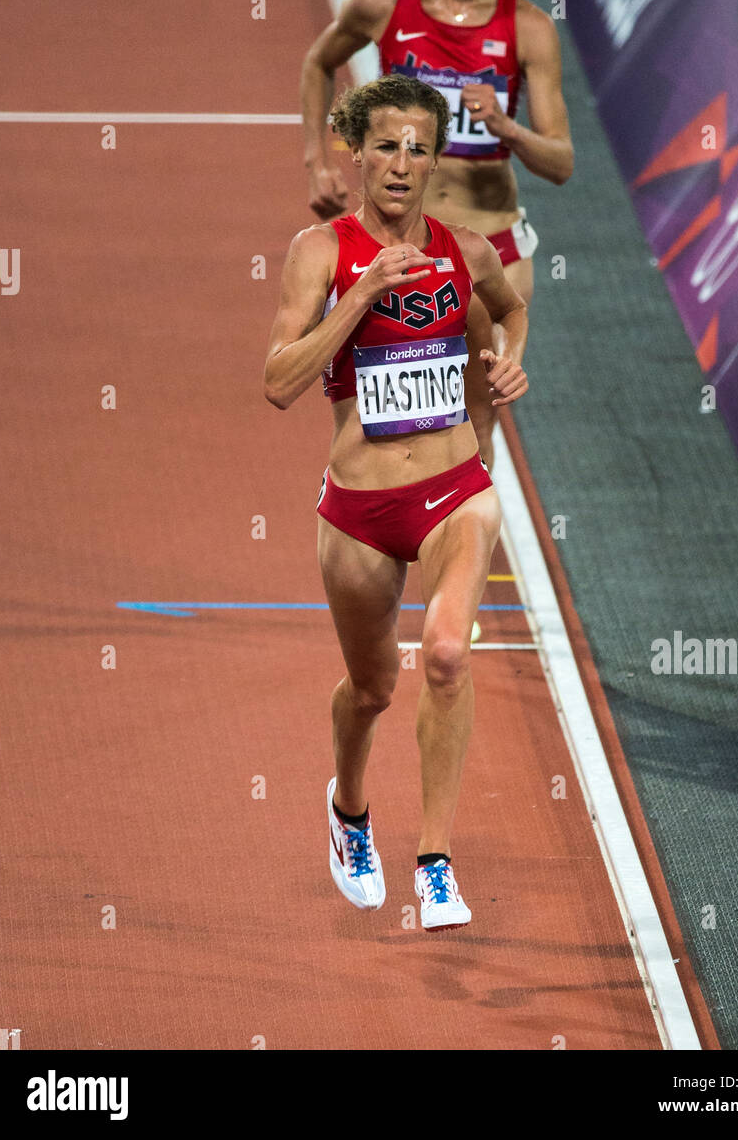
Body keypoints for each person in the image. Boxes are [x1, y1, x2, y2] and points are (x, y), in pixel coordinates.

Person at [263, 73, 529, 930]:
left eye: (419, 147)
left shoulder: (467, 249)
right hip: (360, 510)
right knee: (373, 689)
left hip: (455, 489)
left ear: (435, 158)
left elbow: (508, 312)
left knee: (447, 654)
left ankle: (437, 862)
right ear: (356, 151)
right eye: (386, 146)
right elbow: (278, 382)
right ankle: (348, 809)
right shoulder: (320, 252)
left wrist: (509, 362)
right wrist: (363, 296)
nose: (402, 164)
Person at [301, 0, 572, 469]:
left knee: (475, 429)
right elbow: (318, 63)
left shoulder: (527, 27)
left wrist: (507, 126)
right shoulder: (382, 5)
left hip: (491, 247)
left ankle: (458, 558)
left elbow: (560, 162)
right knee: (380, 419)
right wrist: (316, 160)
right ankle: (383, 536)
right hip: (399, 251)